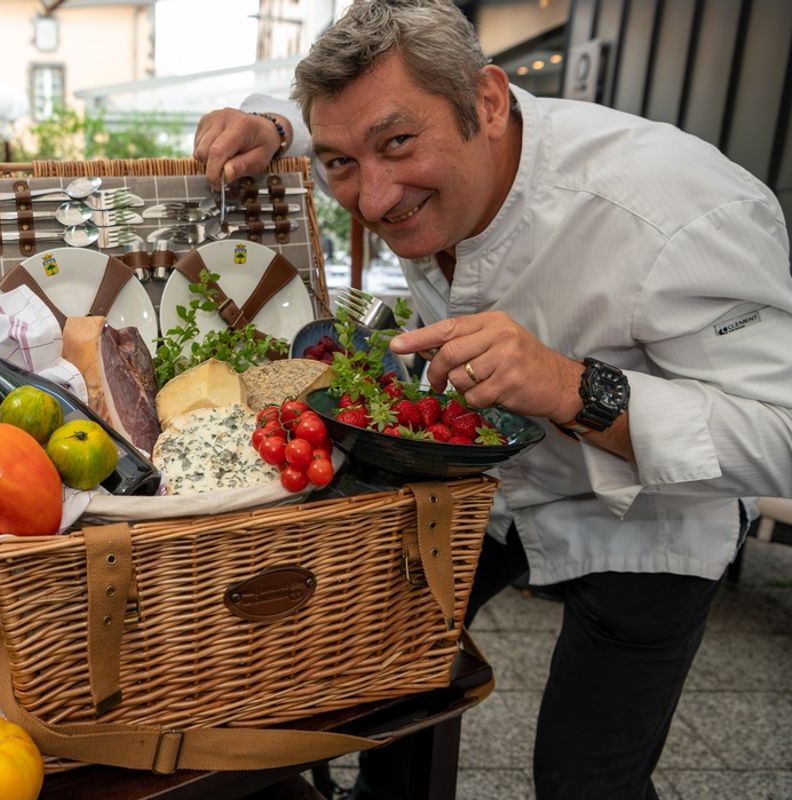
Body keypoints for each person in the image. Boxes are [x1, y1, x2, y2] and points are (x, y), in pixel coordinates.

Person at [194, 1, 792, 798]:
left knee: (586, 779)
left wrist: (571, 386)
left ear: (488, 101)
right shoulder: (378, 141)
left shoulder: (680, 210)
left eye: (398, 145)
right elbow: (342, 124)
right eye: (340, 162)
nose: (373, 199)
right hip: (490, 484)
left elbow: (783, 434)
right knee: (389, 664)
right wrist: (272, 129)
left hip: (651, 518)